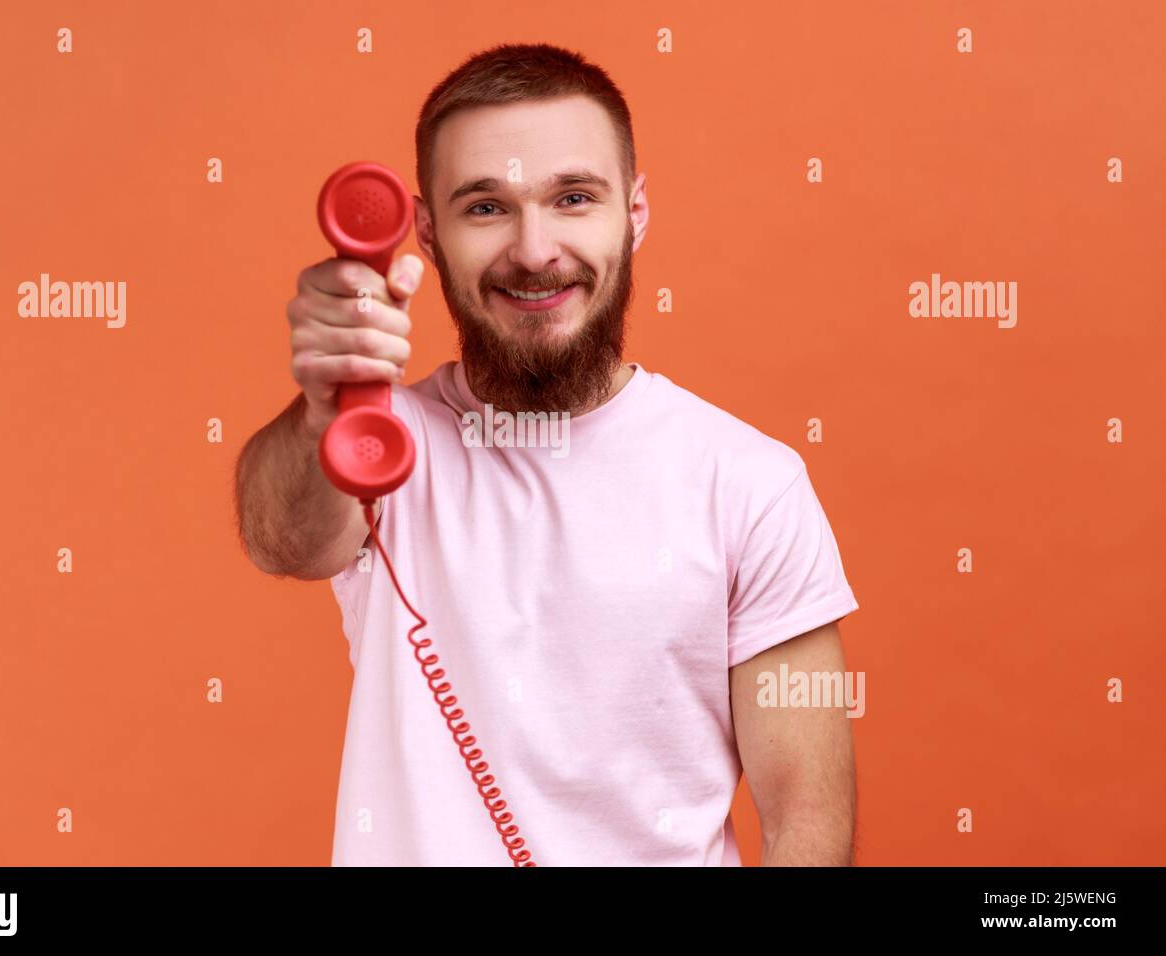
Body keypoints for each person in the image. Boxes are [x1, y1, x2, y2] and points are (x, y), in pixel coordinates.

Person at [234, 43, 861, 866]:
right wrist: (326, 407)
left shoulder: (750, 484)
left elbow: (807, 826)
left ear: (633, 213)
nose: (534, 251)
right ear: (426, 231)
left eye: (572, 198)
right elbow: (281, 538)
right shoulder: (384, 444)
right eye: (486, 207)